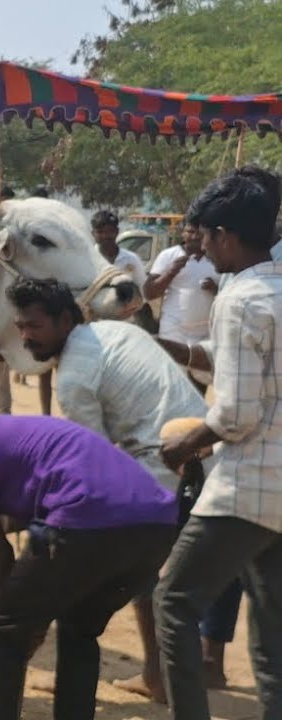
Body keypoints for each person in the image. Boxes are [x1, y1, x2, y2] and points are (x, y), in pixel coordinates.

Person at [5, 276, 236, 704]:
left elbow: (89, 468)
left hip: (168, 463)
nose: (25, 336)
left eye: (34, 326)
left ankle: (86, 670)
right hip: (200, 457)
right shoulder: (114, 332)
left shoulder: (75, 376)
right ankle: (155, 674)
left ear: (63, 319)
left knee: (83, 562)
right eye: (20, 326)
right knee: (142, 572)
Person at [0, 386, 177, 720]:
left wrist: (4, 613)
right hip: (156, 528)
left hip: (85, 520)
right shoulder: (7, 435)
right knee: (79, 629)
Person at [158, 165, 282, 720]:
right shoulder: (275, 288)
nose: (203, 248)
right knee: (271, 632)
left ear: (226, 235)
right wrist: (179, 351)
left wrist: (184, 446)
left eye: (205, 236)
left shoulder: (237, 298)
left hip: (248, 488)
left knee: (173, 601)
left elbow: (234, 414)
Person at [146, 220, 219, 393]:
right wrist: (171, 272)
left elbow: (231, 290)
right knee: (171, 380)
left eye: (198, 233)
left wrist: (214, 288)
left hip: (205, 332)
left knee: (199, 382)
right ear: (182, 233)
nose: (193, 237)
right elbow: (149, 292)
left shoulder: (217, 257)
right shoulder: (169, 255)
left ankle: (194, 417)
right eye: (189, 232)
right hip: (174, 329)